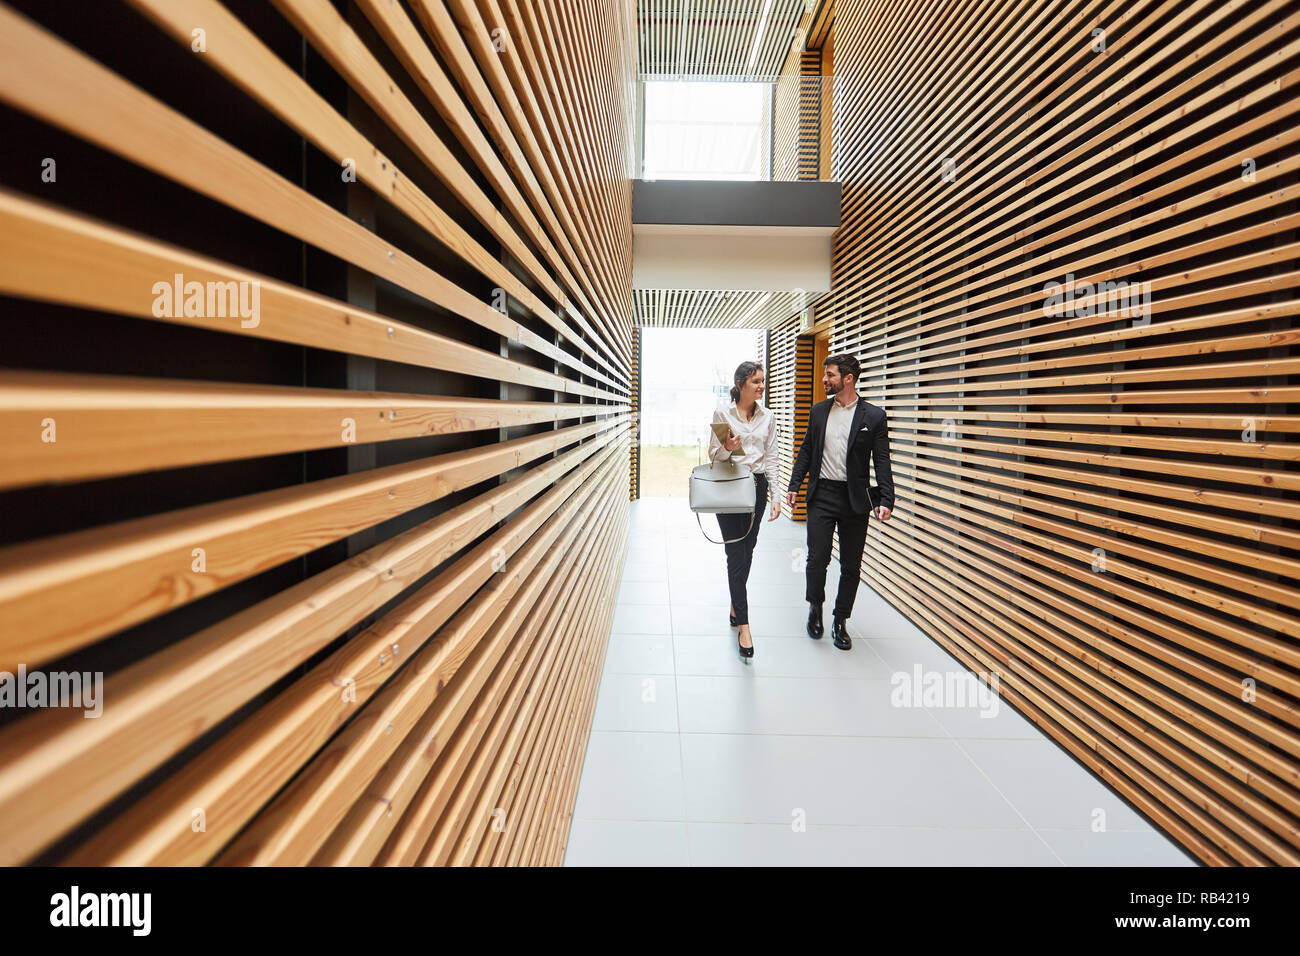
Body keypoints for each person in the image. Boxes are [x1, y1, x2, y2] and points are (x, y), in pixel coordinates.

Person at [784, 353, 894, 650]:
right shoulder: (819, 411)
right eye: (825, 375)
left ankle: (840, 620)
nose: (824, 380)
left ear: (848, 378)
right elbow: (806, 450)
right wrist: (794, 485)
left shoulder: (874, 416)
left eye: (830, 375)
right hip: (822, 495)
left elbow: (882, 460)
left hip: (854, 499)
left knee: (851, 565)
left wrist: (887, 498)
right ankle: (815, 608)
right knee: (817, 558)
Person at [707, 361, 781, 661]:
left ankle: (736, 604)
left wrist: (776, 496)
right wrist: (728, 446)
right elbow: (713, 455)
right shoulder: (722, 414)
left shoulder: (769, 417)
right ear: (740, 385)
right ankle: (745, 626)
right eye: (755, 381)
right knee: (735, 553)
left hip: (757, 488)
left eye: (763, 381)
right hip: (729, 485)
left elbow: (772, 457)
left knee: (748, 551)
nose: (761, 386)